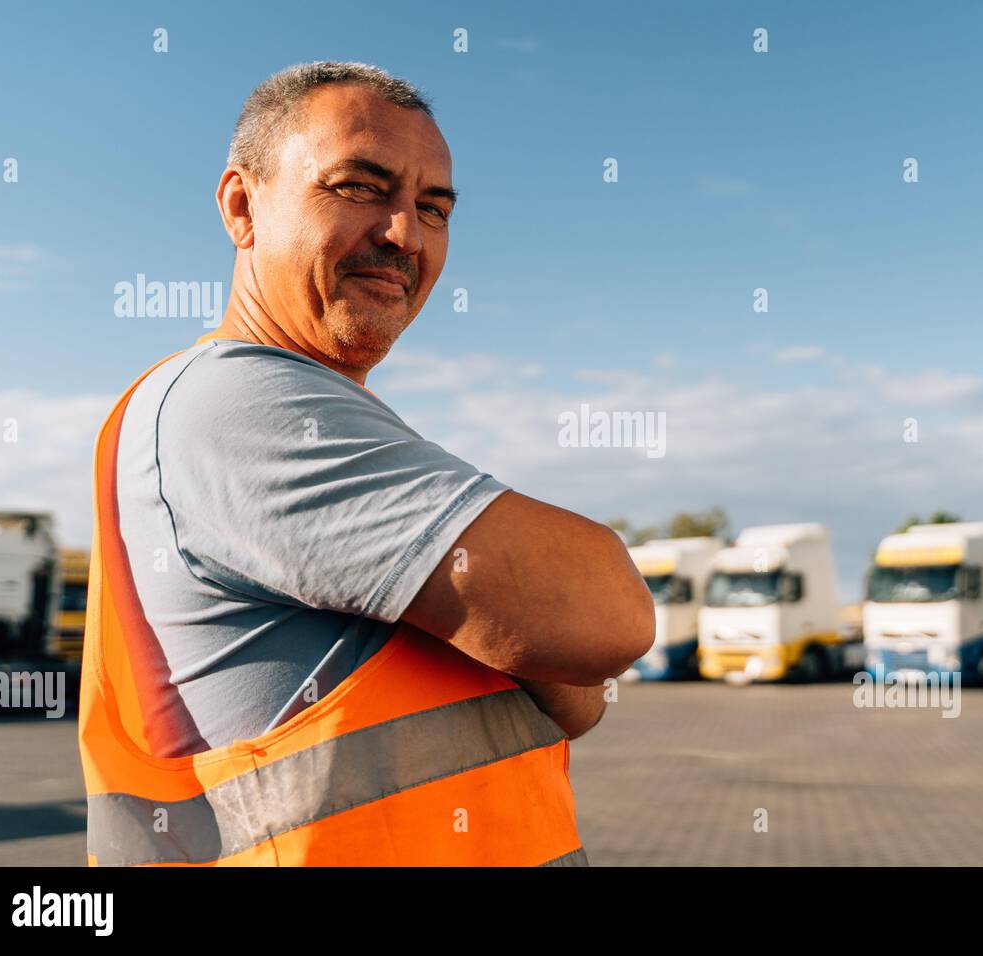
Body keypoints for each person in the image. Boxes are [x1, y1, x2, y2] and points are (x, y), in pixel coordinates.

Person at [77, 61, 654, 867]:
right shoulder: (241, 404)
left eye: (433, 207)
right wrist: (512, 624)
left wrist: (517, 625)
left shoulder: (319, 417)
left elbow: (578, 684)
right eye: (358, 187)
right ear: (242, 205)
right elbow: (607, 613)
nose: (404, 234)